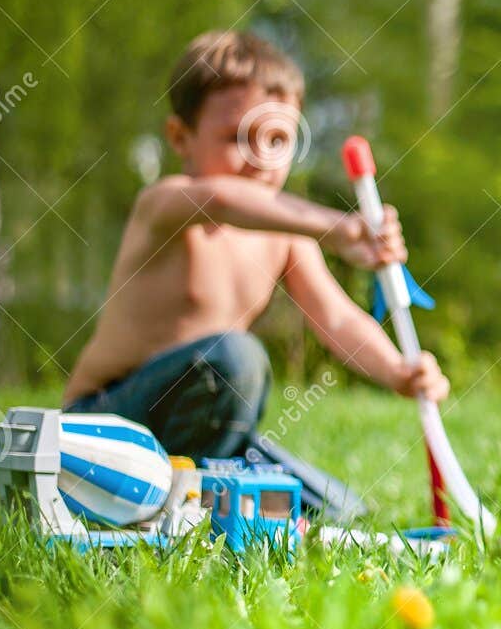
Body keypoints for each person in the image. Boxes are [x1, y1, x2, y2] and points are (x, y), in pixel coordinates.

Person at [63, 31, 448, 520]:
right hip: (104, 430)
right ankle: (183, 509)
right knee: (234, 356)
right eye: (236, 138)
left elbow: (337, 319)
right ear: (181, 137)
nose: (261, 158)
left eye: (278, 139)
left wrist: (398, 371)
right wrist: (337, 227)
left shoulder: (286, 238)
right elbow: (223, 200)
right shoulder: (165, 204)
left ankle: (195, 503)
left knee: (339, 515)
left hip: (205, 435)